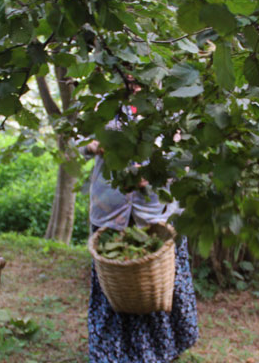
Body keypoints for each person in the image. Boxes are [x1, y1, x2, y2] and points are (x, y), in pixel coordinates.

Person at [82, 108, 199, 363]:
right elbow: (79, 143)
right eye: (127, 67)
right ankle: (112, 355)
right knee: (115, 286)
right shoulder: (104, 103)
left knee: (158, 287)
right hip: (110, 209)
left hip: (157, 214)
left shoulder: (168, 108)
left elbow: (184, 160)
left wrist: (151, 175)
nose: (132, 74)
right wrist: (96, 147)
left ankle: (161, 353)